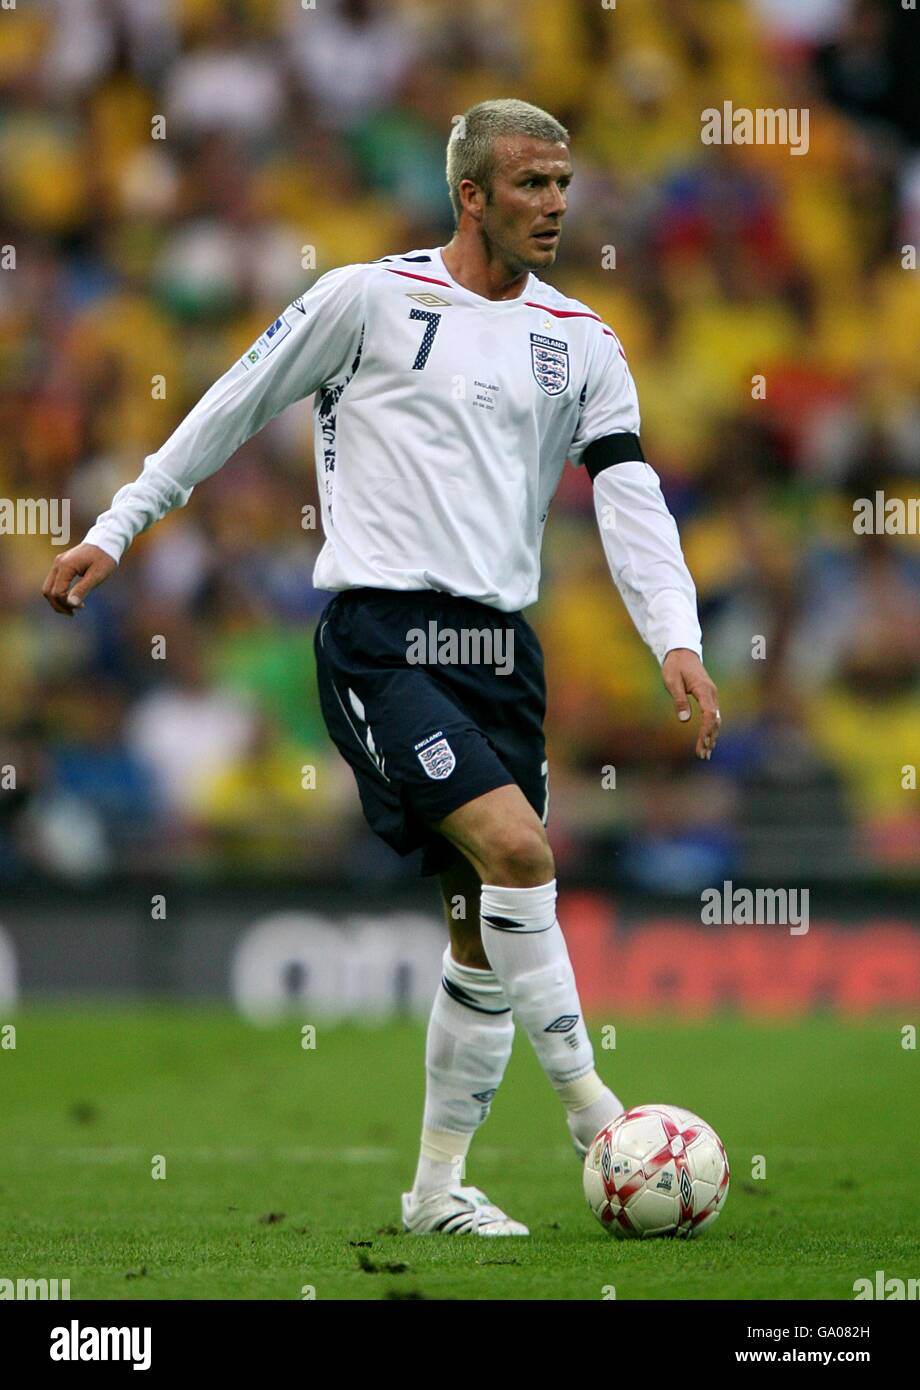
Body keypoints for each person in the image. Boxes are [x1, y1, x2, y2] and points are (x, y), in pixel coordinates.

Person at [43, 98, 721, 1236]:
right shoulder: (367, 297)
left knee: (476, 921)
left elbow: (627, 495)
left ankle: (434, 1190)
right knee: (518, 850)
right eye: (530, 185)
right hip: (381, 636)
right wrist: (119, 524)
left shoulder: (582, 340)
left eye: (562, 183)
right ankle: (593, 1114)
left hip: (501, 651)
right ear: (470, 196)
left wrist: (676, 634)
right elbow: (233, 402)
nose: (555, 204)